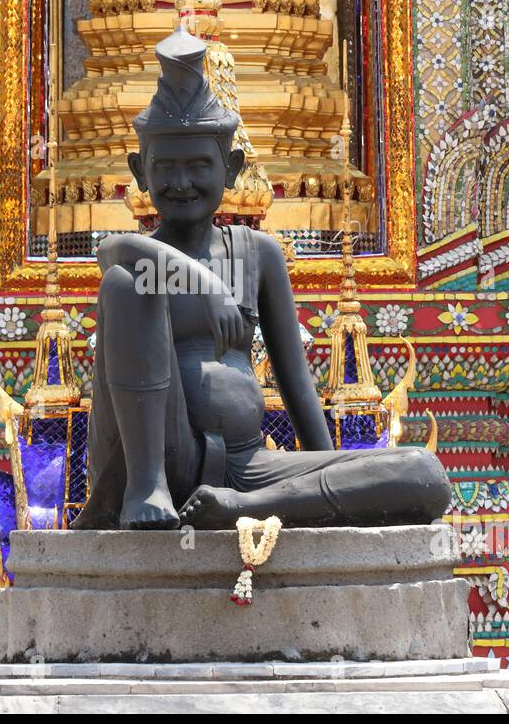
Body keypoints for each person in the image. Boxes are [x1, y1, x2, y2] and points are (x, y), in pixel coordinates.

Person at [72, 27, 451, 530]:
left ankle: (239, 510)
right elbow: (112, 251)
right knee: (128, 284)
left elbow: (297, 385)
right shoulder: (139, 256)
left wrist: (329, 469)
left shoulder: (254, 253)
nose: (181, 182)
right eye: (165, 167)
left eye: (198, 165)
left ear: (230, 169)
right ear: (141, 172)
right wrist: (200, 282)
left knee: (422, 474)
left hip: (247, 467)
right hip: (160, 460)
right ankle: (149, 488)